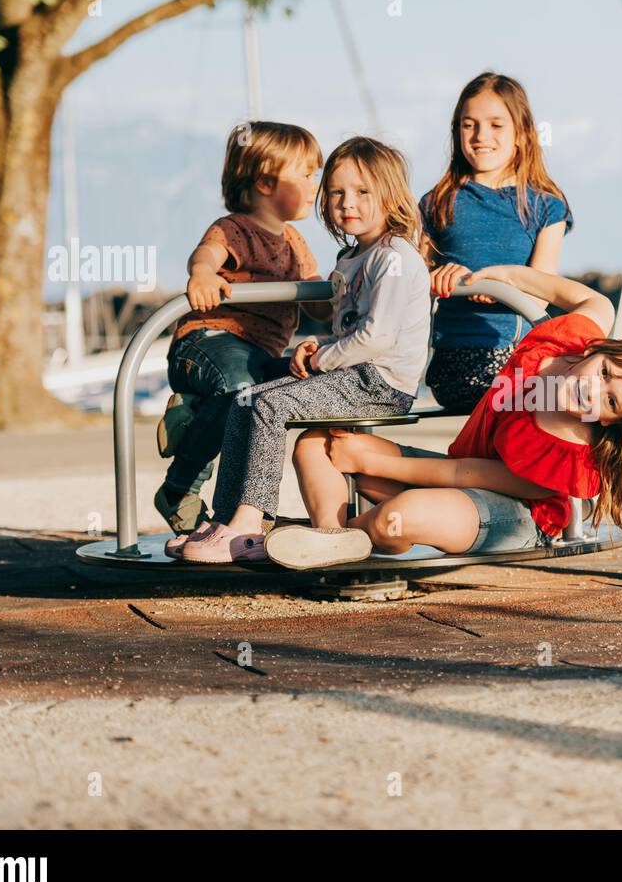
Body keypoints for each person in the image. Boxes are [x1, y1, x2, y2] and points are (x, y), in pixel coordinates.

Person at [266, 265, 622, 581]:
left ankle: (350, 538)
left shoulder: (568, 450)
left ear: (613, 421)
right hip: (455, 480)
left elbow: (463, 475)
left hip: (515, 515)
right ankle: (332, 540)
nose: (595, 390)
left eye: (610, 402)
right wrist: (493, 276)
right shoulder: (564, 341)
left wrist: (366, 457)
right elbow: (580, 296)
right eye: (605, 374)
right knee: (316, 443)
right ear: (597, 350)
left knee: (397, 518)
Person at [175, 137, 431, 564]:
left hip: (381, 382)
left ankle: (251, 525)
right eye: (336, 192)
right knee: (247, 397)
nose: (347, 202)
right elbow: (348, 331)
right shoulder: (351, 258)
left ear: (390, 195)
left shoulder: (394, 258)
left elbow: (376, 338)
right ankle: (228, 519)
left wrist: (318, 360)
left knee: (270, 407)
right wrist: (319, 348)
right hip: (351, 374)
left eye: (363, 192)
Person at [155, 121, 327, 535]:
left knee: (290, 388)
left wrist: (346, 292)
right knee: (238, 387)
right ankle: (180, 488)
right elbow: (207, 254)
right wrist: (203, 276)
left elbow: (319, 305)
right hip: (208, 342)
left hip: (259, 356)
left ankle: (244, 501)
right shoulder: (234, 228)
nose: (314, 185)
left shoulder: (295, 243)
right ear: (266, 180)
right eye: (305, 175)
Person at [422, 71, 572, 414]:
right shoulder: (436, 202)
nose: (480, 136)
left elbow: (541, 290)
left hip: (517, 355)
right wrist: (443, 278)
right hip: (455, 363)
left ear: (521, 133)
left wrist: (500, 285)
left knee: (588, 403)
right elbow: (414, 281)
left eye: (496, 125)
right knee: (543, 403)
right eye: (468, 125)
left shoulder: (547, 206)